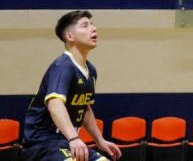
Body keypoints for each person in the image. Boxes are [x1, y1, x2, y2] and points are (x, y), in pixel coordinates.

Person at [22, 10, 122, 161]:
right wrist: (74, 138)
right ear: (70, 36)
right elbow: (55, 105)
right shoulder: (63, 67)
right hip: (43, 144)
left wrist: (99, 140)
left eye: (92, 24)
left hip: (66, 141)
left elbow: (85, 108)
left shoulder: (91, 70)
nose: (93, 28)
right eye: (85, 25)